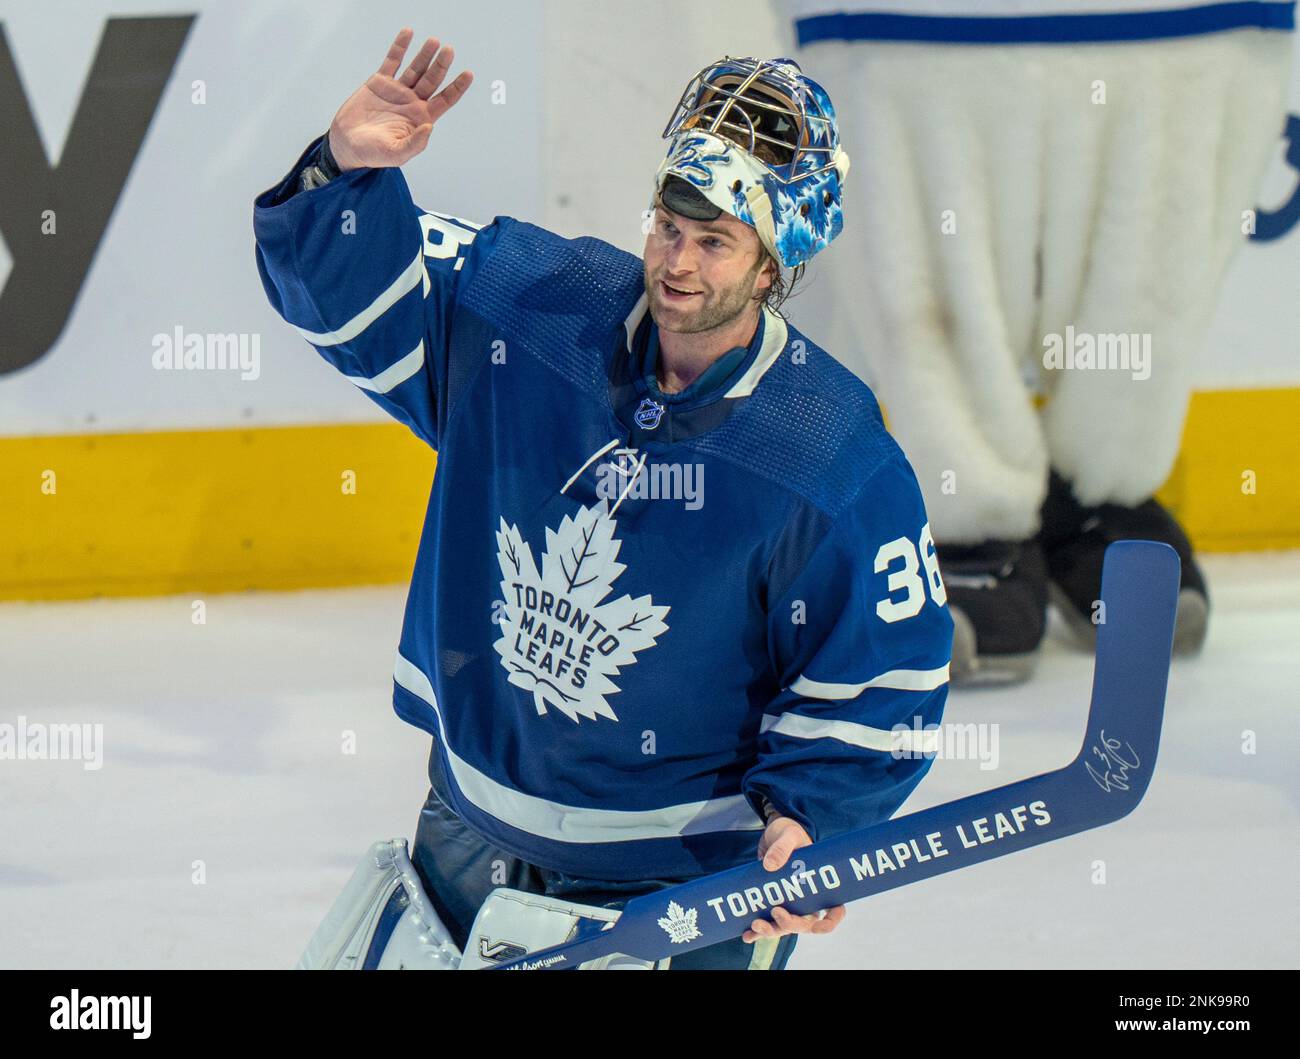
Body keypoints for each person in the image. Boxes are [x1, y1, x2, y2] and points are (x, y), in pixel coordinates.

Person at [254, 29, 952, 969]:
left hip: (680, 885)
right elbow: (349, 303)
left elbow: (880, 674)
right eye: (669, 224)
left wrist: (810, 824)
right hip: (468, 835)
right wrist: (341, 173)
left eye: (715, 241)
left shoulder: (831, 455)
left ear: (774, 263)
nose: (678, 263)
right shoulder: (529, 309)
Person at [777, 0, 1295, 683]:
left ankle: (1102, 495)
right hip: (906, 30)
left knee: (1157, 241)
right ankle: (973, 519)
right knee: (923, 266)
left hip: (1186, 24)